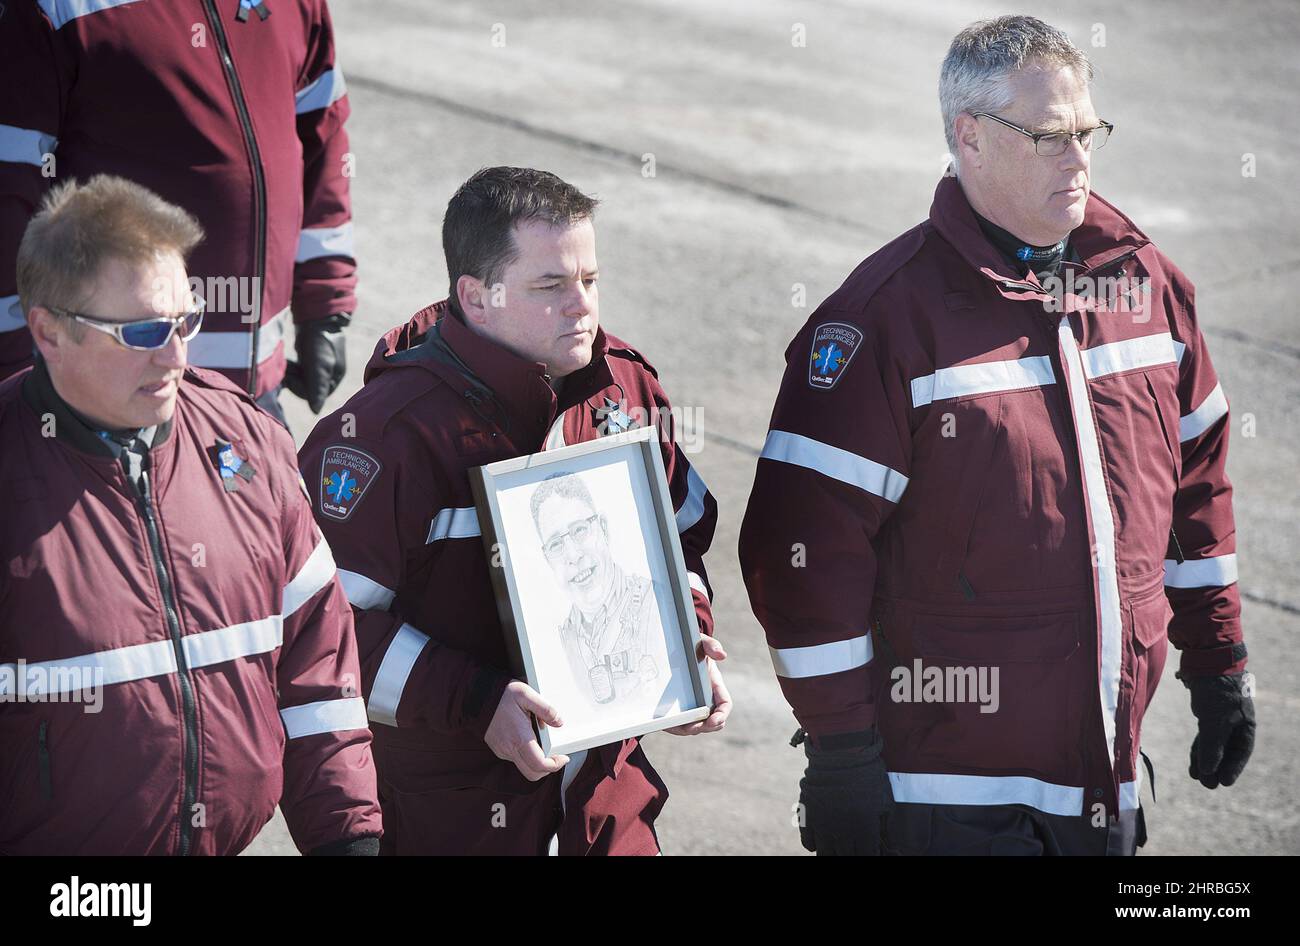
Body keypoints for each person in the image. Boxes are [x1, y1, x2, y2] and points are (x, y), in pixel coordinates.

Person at [739, 15, 1253, 856]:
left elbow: (1197, 483)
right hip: (945, 804)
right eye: (1050, 137)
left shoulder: (1148, 289)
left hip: (1103, 792)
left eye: (1088, 132)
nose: (1078, 158)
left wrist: (1218, 655)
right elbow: (802, 560)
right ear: (967, 137)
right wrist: (841, 754)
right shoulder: (881, 323)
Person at [299, 166, 731, 855]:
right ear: (477, 296)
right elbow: (315, 636)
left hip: (610, 815)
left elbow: (680, 540)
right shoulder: (387, 440)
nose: (582, 306)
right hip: (453, 823)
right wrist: (475, 700)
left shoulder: (626, 391)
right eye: (551, 285)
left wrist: (687, 641)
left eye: (590, 280)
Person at [0, 175, 381, 855]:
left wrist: (349, 838)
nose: (177, 354)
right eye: (144, 329)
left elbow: (317, 668)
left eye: (186, 321)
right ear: (48, 333)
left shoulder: (250, 443)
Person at [0, 0, 356, 423]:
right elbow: (9, 190)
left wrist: (326, 305)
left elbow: (323, 135)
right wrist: (18, 373)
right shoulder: (53, 7)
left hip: (255, 399)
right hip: (115, 407)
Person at [532, 474, 658, 706]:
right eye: (556, 544)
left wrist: (692, 643)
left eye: (579, 530)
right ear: (547, 559)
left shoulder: (657, 606)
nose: (573, 555)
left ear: (603, 528)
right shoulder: (555, 645)